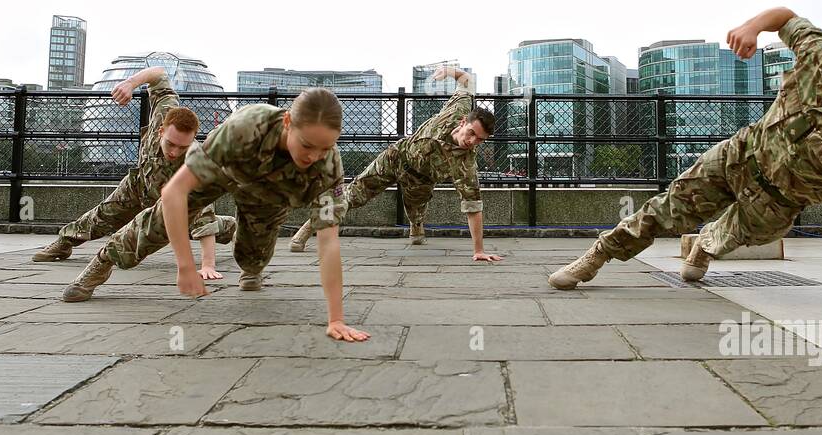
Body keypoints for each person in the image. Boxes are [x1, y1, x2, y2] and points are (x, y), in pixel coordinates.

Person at [547, 7, 822, 329]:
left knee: (731, 235)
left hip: (775, 205)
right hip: (740, 156)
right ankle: (596, 257)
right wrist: (752, 27)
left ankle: (705, 245)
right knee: (666, 209)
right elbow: (785, 17)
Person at [62, 87, 369, 343]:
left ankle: (250, 267)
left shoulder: (328, 167)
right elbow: (173, 193)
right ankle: (103, 261)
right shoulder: (246, 128)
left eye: (324, 148)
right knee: (159, 224)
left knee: (253, 257)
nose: (313, 156)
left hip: (269, 195)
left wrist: (336, 319)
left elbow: (328, 242)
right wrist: (185, 266)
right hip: (221, 170)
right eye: (306, 145)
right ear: (287, 121)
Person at [32, 65, 234, 279]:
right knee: (101, 216)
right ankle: (64, 243)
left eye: (182, 147)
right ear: (161, 131)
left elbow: (204, 213)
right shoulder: (164, 112)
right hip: (138, 186)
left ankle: (226, 226)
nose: (175, 152)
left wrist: (208, 265)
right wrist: (130, 83)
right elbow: (158, 74)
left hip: (170, 204)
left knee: (195, 226)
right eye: (171, 144)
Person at [288, 65, 502, 262]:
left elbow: (473, 206)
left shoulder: (465, 163)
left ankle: (416, 227)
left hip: (421, 179)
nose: (472, 141)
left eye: (480, 140)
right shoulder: (459, 108)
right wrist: (449, 70)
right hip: (395, 157)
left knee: (416, 210)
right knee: (353, 194)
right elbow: (466, 81)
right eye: (472, 133)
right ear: (464, 122)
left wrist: (478, 250)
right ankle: (307, 229)